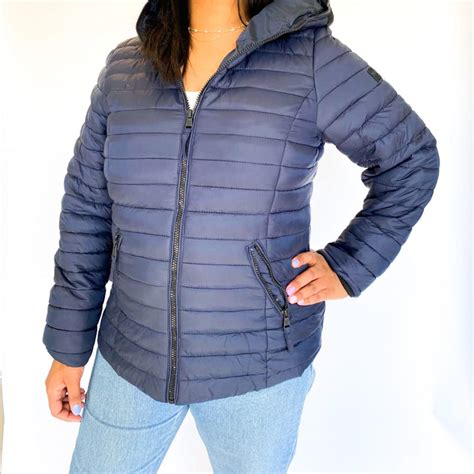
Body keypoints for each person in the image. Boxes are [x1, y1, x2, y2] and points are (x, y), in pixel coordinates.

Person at [43, 0, 440, 472]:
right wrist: (68, 347)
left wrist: (349, 264)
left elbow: (410, 157)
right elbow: (87, 208)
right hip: (132, 353)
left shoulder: (311, 60)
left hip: (258, 367)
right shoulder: (126, 68)